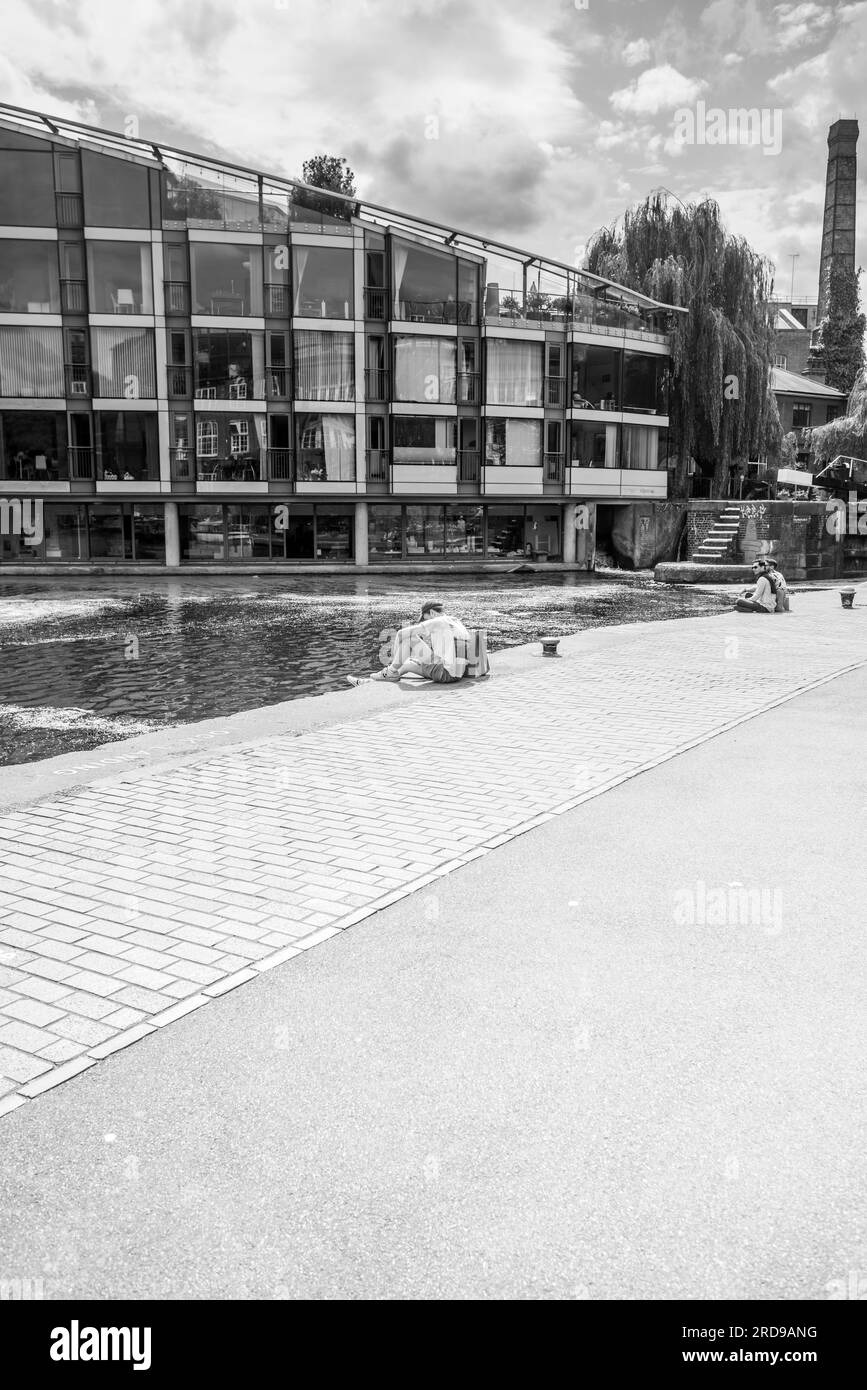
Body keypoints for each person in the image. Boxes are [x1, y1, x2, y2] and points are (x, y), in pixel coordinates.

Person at [347, 600, 470, 685]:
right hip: (456, 674)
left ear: (432, 613)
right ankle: (371, 681)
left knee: (408, 638)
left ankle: (389, 671)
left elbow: (401, 633)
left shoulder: (438, 621)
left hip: (445, 673)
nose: (425, 622)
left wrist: (392, 662)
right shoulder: (456, 621)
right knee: (407, 664)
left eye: (425, 619)